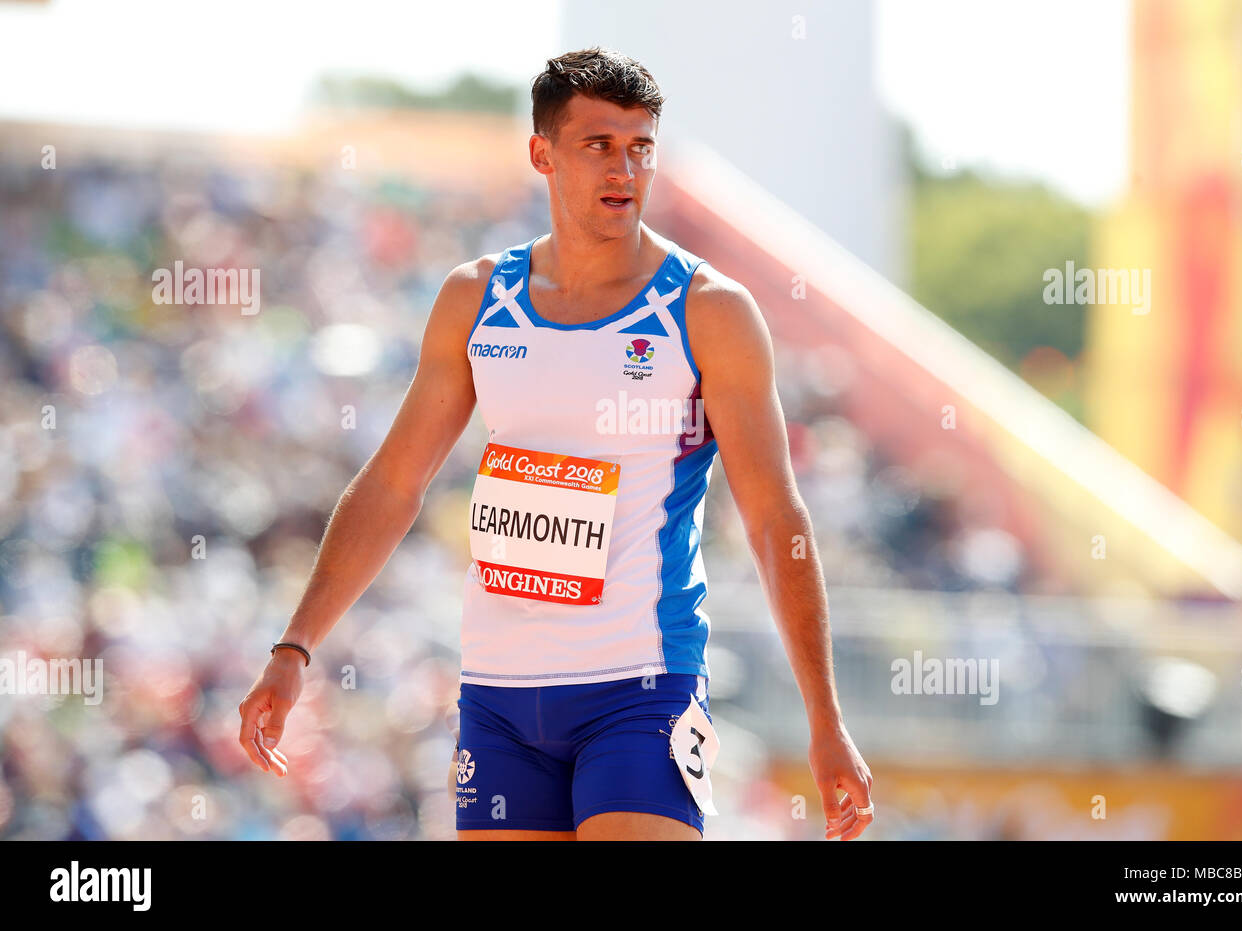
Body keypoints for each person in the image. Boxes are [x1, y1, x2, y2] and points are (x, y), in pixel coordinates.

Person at [238, 46, 874, 842]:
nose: (625, 168)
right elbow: (393, 483)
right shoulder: (478, 299)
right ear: (542, 153)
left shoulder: (709, 311)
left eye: (640, 146)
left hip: (641, 687)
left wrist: (825, 718)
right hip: (499, 697)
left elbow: (777, 516)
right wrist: (295, 648)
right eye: (599, 145)